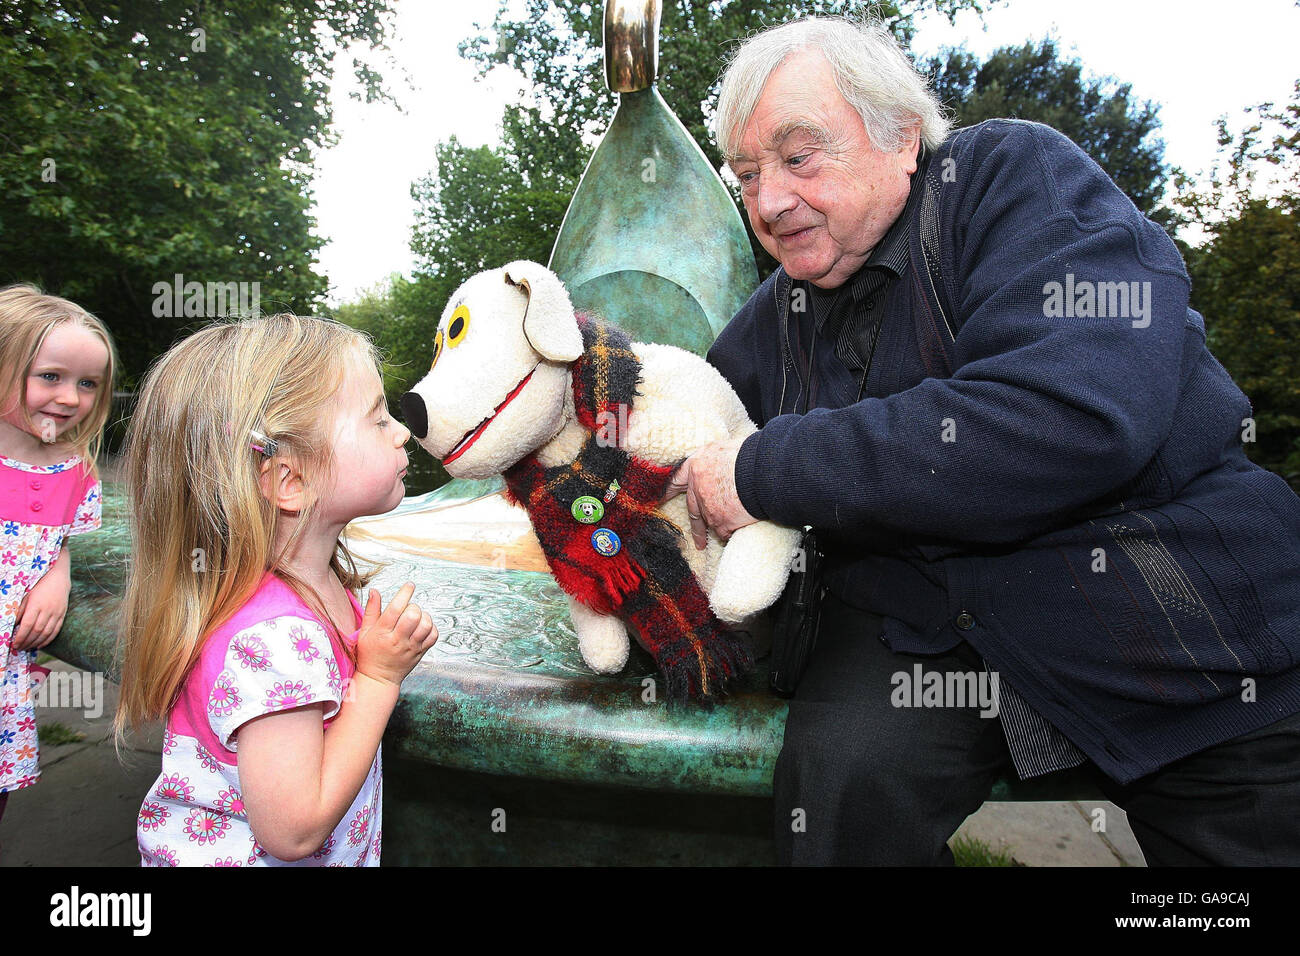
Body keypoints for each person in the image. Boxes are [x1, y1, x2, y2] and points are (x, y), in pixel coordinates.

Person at [669, 16, 1300, 865]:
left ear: (900, 139)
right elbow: (675, 418)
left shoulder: (1015, 177)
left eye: (798, 157)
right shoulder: (776, 312)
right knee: (838, 792)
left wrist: (766, 468)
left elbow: (1070, 417)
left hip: (1164, 613)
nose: (768, 201)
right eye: (745, 175)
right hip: (925, 634)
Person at [115, 312, 438, 866]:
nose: (403, 430)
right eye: (378, 418)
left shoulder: (304, 585)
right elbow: (293, 831)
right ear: (291, 480)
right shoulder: (275, 640)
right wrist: (379, 677)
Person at [0, 284, 114, 831]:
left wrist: (54, 581)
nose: (70, 398)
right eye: (50, 376)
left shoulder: (74, 471)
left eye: (87, 384)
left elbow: (58, 539)